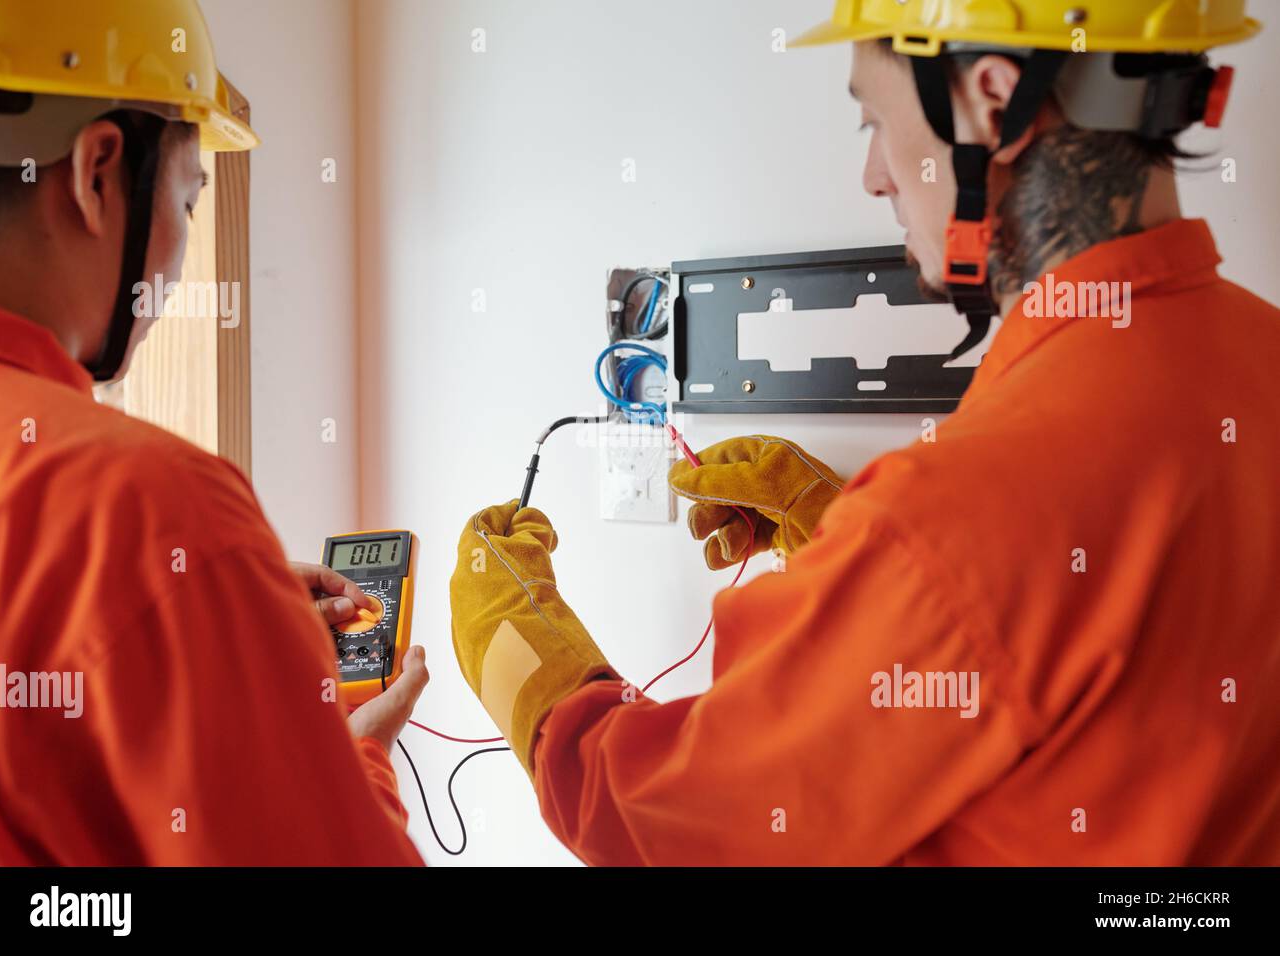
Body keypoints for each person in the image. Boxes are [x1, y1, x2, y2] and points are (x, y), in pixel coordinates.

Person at [449, 1, 1280, 864]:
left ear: (993, 106)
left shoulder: (960, 515)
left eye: (875, 120)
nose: (875, 176)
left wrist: (516, 641)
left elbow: (664, 823)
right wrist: (843, 547)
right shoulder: (1259, 363)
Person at [0, 0, 426, 865]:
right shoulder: (146, 507)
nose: (180, 261)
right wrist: (352, 752)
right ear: (97, 172)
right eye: (188, 197)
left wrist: (224, 615)